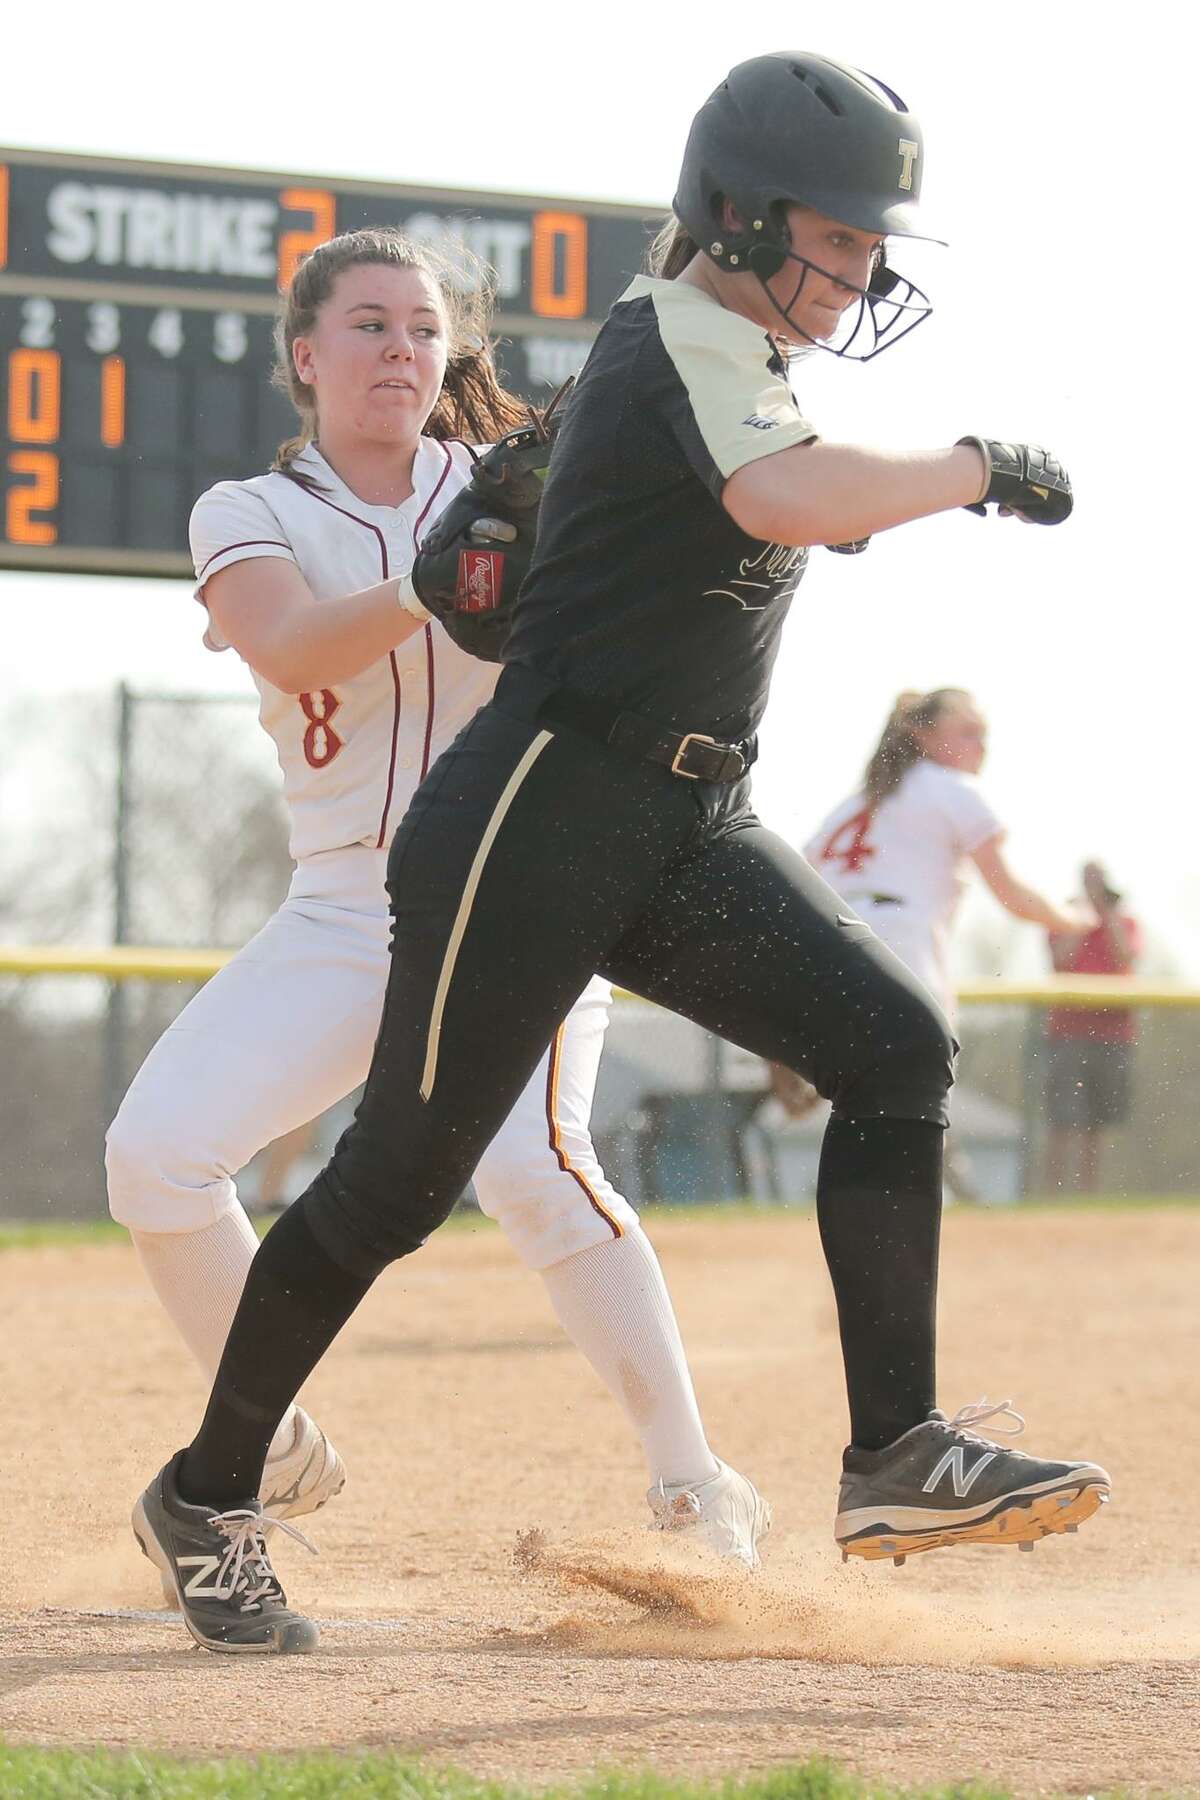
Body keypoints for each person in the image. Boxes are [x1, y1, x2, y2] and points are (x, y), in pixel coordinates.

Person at [136, 52, 1111, 1657]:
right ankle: (209, 1492)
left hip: (681, 815)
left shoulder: (716, 347)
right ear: (734, 215)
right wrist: (973, 468)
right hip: (541, 807)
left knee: (895, 1043)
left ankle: (895, 1453)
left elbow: (768, 481)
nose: (865, 266)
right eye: (842, 232)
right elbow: (781, 494)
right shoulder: (684, 333)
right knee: (399, 1178)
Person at [110, 227, 769, 1612]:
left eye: (421, 328)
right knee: (156, 1155)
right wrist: (440, 572)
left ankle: (693, 1484)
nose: (399, 349)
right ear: (305, 356)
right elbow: (291, 644)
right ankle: (263, 1444)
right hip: (347, 901)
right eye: (365, 325)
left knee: (531, 1166)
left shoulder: (517, 486)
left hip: (521, 885)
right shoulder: (247, 509)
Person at [801, 688, 1083, 1196]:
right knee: (920, 1083)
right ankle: (927, 1192)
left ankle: (881, 1178)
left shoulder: (855, 803)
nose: (982, 745)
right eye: (968, 732)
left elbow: (799, 876)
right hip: (900, 940)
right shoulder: (948, 789)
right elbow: (1012, 894)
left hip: (826, 941)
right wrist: (1071, 919)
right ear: (921, 734)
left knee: (864, 1090)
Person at [1044, 860, 1141, 1194]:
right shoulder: (1064, 918)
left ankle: (1088, 1195)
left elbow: (1124, 957)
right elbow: (1061, 961)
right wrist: (1083, 917)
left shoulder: (1124, 921)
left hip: (1112, 1035)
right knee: (1063, 1121)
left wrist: (1108, 914)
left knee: (1097, 1125)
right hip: (1068, 1034)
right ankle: (1053, 1194)